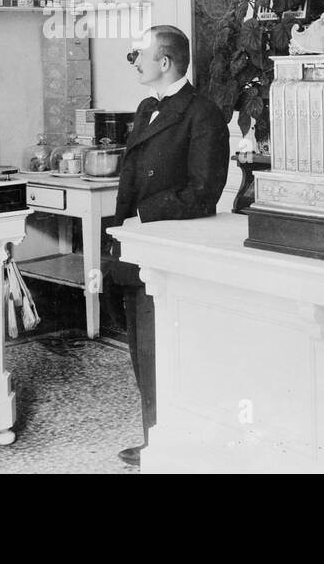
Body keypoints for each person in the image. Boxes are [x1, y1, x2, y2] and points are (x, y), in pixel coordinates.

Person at [108, 24, 229, 467]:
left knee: (165, 349)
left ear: (165, 62)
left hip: (169, 249)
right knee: (144, 349)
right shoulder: (147, 107)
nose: (134, 61)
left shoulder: (203, 114)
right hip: (137, 243)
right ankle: (154, 440)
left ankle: (169, 444)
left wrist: (144, 215)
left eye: (139, 54)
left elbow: (204, 191)